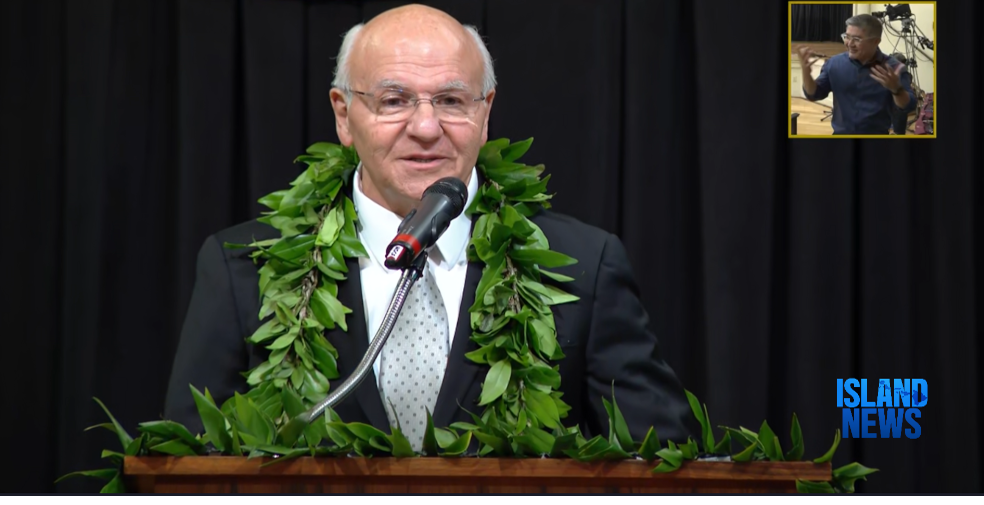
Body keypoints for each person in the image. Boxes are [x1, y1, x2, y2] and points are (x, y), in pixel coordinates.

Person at [163, 4, 695, 451]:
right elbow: (191, 463)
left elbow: (664, 459)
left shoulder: (585, 266)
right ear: (344, 116)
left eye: (451, 101)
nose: (425, 127)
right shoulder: (242, 267)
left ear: (485, 115)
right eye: (394, 101)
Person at [796, 14, 916, 135]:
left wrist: (897, 90)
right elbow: (814, 94)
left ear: (876, 41)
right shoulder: (834, 63)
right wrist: (806, 73)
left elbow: (909, 106)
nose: (849, 44)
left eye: (857, 39)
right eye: (847, 37)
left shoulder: (894, 69)